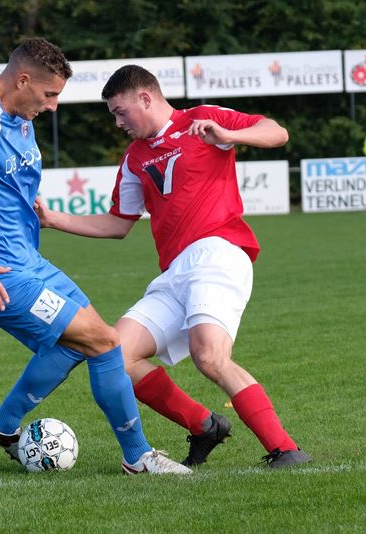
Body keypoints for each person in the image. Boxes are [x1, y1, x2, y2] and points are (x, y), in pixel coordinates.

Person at [0, 38, 190, 475]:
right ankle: (138, 456)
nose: (54, 106)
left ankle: (2, 425)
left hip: (30, 263)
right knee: (104, 342)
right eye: (49, 95)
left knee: (79, 345)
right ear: (21, 80)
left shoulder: (21, 118)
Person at [34, 65, 310, 469]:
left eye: (121, 111)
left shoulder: (202, 120)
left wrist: (231, 136)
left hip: (219, 252)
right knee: (115, 357)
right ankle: (204, 425)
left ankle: (285, 450)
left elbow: (277, 132)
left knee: (209, 356)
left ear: (145, 98)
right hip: (175, 271)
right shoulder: (134, 159)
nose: (118, 122)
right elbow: (118, 224)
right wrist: (55, 219)